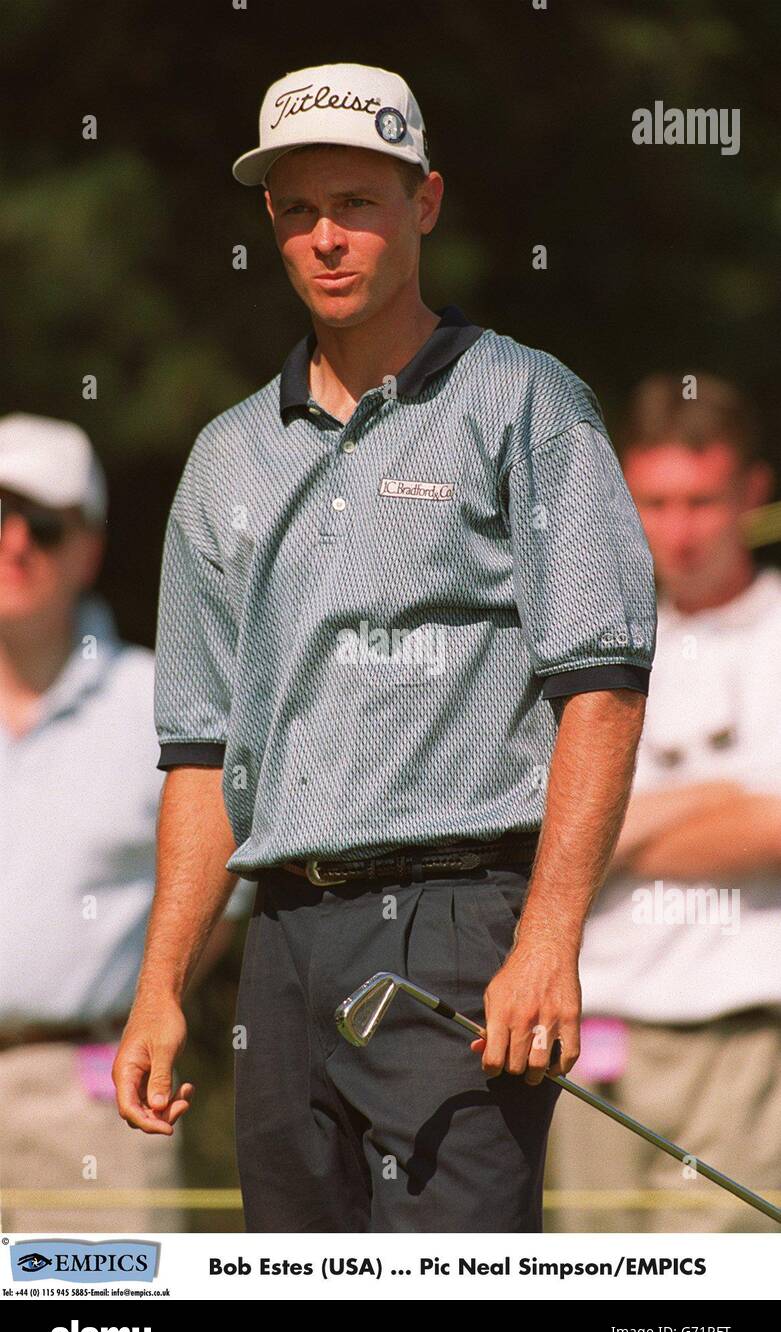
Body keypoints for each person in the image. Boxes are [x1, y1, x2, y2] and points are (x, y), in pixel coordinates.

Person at [115, 61, 657, 1234]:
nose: (327, 236)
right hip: (281, 948)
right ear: (271, 221)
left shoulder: (526, 401)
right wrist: (160, 983)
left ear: (425, 201)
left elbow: (602, 690)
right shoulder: (225, 456)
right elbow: (203, 751)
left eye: (358, 202)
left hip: (460, 930)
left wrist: (549, 943)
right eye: (300, 209)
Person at [0, 413, 253, 1234]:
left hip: (88, 1094)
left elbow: (232, 884)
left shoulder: (160, 703)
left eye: (41, 524)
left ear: (88, 549)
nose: (14, 544)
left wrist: (153, 994)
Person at [546, 374, 781, 1233]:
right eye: (652, 502)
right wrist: (717, 798)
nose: (676, 532)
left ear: (751, 494)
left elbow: (772, 830)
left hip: (739, 1043)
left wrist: (602, 825)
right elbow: (526, 829)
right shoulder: (592, 643)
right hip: (593, 1039)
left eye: (700, 501)